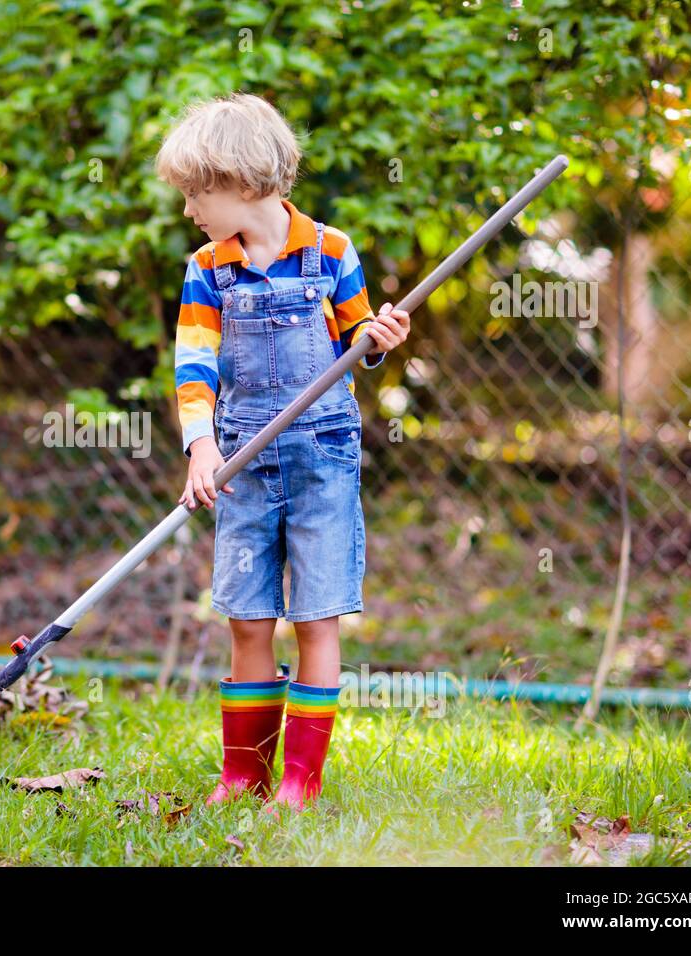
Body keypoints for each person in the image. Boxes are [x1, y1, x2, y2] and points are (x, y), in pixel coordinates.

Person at [156, 92, 410, 810]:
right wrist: (201, 448)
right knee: (246, 615)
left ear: (240, 183)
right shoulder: (208, 269)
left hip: (321, 457)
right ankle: (244, 777)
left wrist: (378, 339)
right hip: (240, 463)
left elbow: (359, 338)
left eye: (196, 194)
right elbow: (195, 366)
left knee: (316, 616)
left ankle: (298, 784)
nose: (189, 211)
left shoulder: (333, 252)